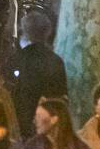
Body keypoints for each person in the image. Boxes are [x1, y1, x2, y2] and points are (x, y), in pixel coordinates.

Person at [6, 10, 68, 139]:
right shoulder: (55, 60)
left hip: (21, 118)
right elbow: (61, 93)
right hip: (49, 118)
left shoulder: (17, 58)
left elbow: (9, 88)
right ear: (47, 33)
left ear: (25, 32)